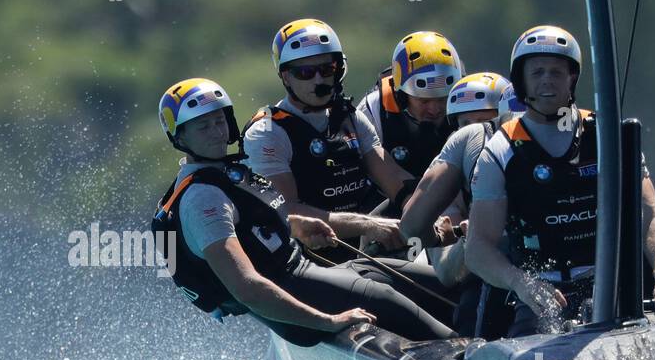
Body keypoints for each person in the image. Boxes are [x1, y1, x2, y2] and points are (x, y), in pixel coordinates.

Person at [465, 25, 655, 339]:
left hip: (622, 274)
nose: (547, 81)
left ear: (572, 79)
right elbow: (478, 250)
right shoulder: (499, 152)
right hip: (548, 290)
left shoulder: (609, 134)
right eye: (537, 72)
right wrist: (522, 285)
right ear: (521, 80)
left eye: (556, 72)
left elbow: (651, 214)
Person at [152, 77, 454, 345]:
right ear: (179, 138)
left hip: (306, 272)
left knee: (442, 284)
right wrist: (328, 321)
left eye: (219, 121)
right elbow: (247, 288)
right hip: (293, 295)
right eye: (203, 127)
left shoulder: (224, 172)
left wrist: (297, 225)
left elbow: (255, 224)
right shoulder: (203, 199)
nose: (216, 133)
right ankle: (465, 355)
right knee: (387, 298)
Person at [244, 18, 454, 320]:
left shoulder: (350, 118)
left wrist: (431, 217)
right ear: (286, 78)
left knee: (455, 287)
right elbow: (286, 212)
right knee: (399, 303)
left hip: (366, 256)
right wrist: (367, 226)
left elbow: (396, 180)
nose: (318, 80)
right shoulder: (267, 133)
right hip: (309, 266)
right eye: (305, 72)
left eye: (326, 69)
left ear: (339, 69)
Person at [400, 73, 519, 335]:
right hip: (482, 279)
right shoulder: (451, 175)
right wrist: (468, 239)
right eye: (463, 124)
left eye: (483, 122)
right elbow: (445, 271)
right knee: (471, 302)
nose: (473, 132)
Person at [360, 31, 465, 182]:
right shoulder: (374, 108)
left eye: (443, 99)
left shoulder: (469, 104)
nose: (434, 109)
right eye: (424, 101)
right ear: (402, 95)